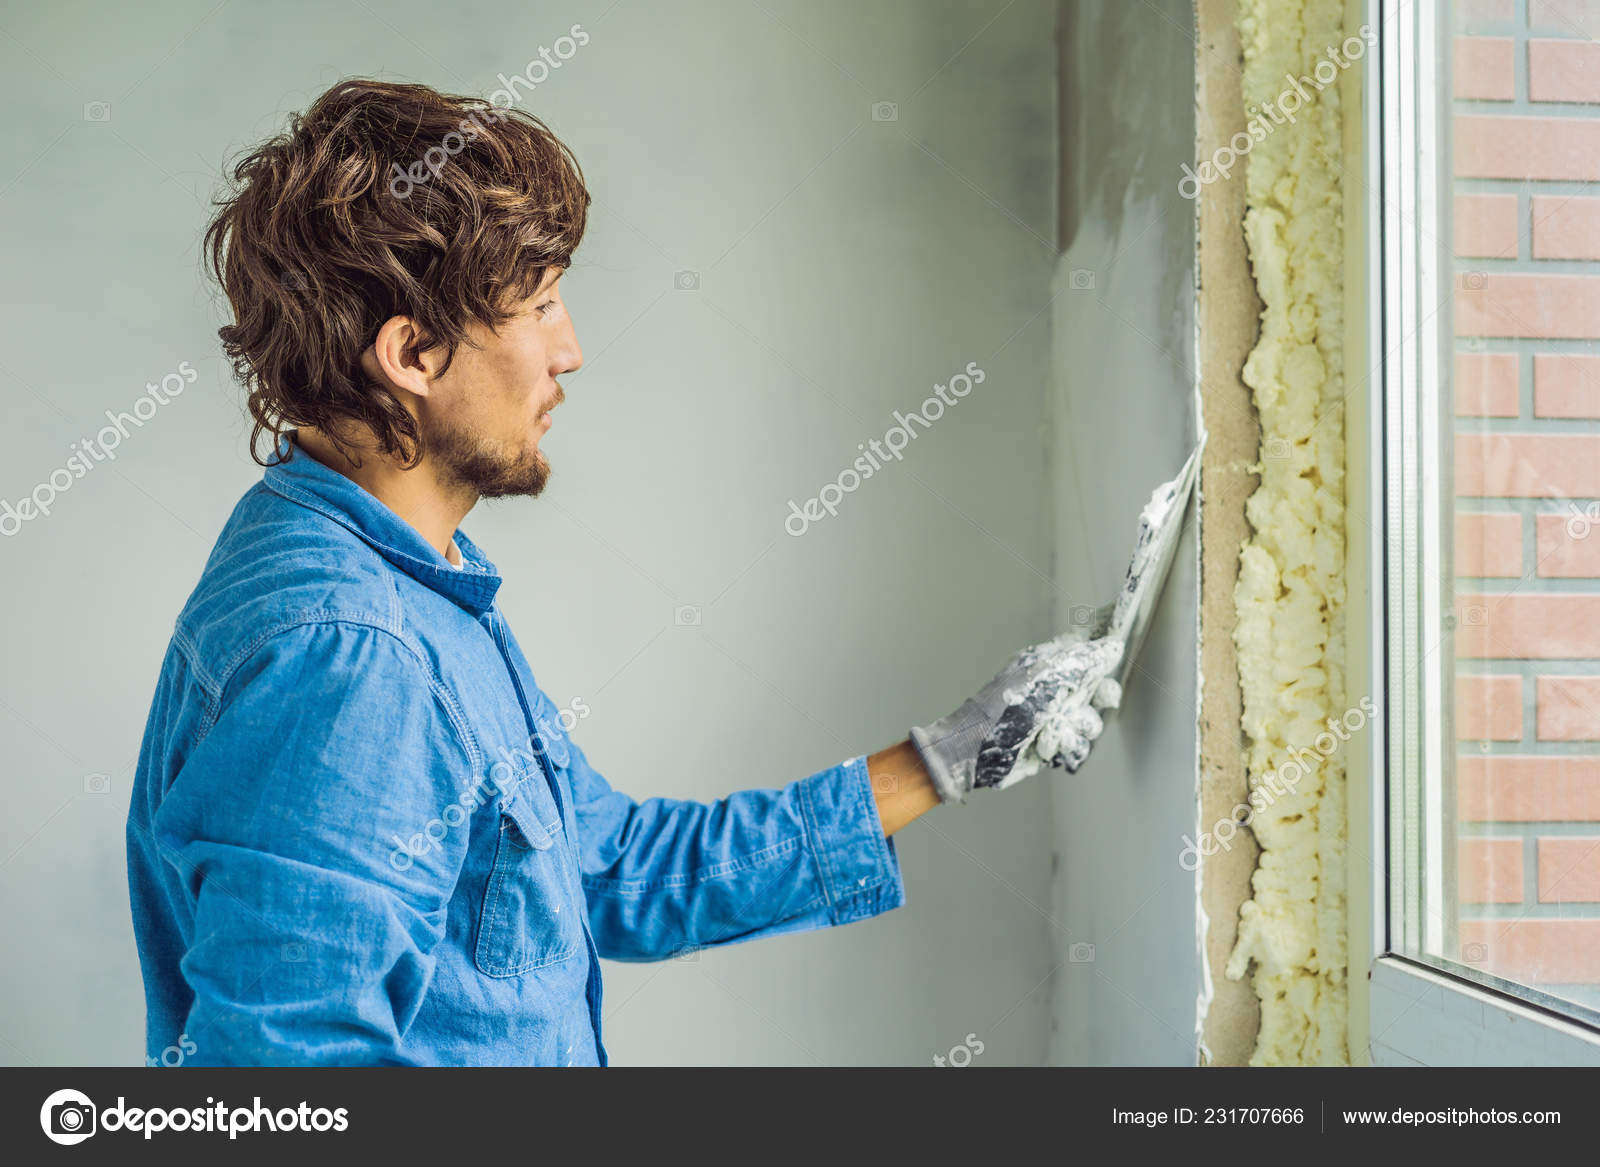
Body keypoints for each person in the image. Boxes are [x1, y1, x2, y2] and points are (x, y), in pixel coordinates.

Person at [125, 79, 1113, 1067]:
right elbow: (282, 1082)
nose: (571, 351)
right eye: (541, 304)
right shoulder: (351, 652)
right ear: (413, 354)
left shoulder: (414, 583)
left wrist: (947, 757)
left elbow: (609, 869)